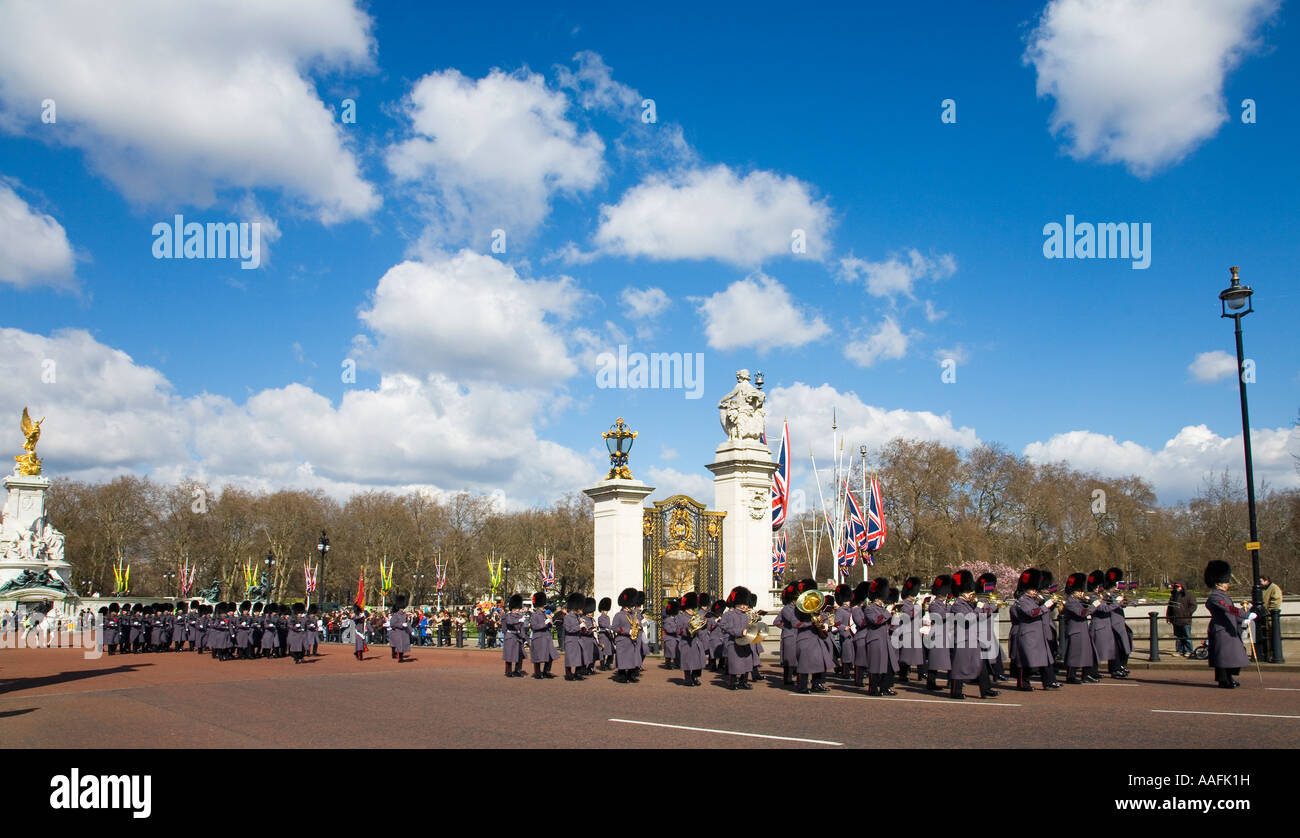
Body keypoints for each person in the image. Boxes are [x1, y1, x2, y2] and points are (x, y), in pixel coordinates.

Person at [949, 569, 999, 700]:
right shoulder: (957, 605)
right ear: (962, 592)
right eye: (968, 591)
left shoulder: (969, 603)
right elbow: (968, 618)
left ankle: (986, 689)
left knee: (981, 666)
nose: (971, 593)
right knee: (959, 666)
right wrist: (978, 607)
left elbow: (981, 615)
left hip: (973, 638)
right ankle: (955, 691)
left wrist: (990, 606)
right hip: (962, 639)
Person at [1011, 569, 1059, 691]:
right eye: (1032, 589)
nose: (1034, 591)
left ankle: (1048, 681)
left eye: (1035, 589)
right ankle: (1022, 683)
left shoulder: (1034, 599)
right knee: (1025, 661)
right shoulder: (1022, 600)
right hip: (1028, 634)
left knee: (1044, 659)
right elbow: (1032, 613)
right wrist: (1045, 605)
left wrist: (1049, 602)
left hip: (1038, 634)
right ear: (1026, 589)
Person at [1205, 560, 1252, 688]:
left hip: (1229, 629)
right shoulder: (1215, 596)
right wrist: (1246, 614)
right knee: (1224, 657)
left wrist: (1243, 619)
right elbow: (1228, 609)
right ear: (1218, 583)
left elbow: (1231, 612)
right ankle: (1224, 680)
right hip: (1221, 629)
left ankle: (1229, 677)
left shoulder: (1223, 595)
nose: (1227, 584)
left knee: (1234, 655)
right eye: (1225, 581)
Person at [862, 577, 897, 696]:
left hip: (885, 640)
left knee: (888, 665)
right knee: (875, 665)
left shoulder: (882, 608)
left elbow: (886, 623)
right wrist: (888, 612)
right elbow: (877, 620)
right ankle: (873, 688)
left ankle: (885, 687)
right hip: (875, 640)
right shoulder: (869, 608)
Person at [1063, 573, 1100, 683]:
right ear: (1073, 591)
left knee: (1088, 653)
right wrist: (1094, 606)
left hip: (1083, 630)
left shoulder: (1078, 600)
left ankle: (1086, 674)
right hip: (1075, 631)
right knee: (1074, 655)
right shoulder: (1070, 602)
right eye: (1079, 591)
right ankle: (1071, 676)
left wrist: (1088, 601)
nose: (1081, 593)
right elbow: (1082, 613)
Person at [721, 586, 757, 691]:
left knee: (747, 662)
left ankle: (743, 681)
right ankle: (732, 682)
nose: (745, 606)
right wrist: (739, 632)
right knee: (735, 664)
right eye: (744, 604)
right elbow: (724, 626)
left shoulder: (746, 616)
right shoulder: (729, 615)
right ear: (738, 603)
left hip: (745, 642)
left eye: (746, 604)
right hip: (733, 642)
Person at [922, 575, 952, 692]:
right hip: (937, 634)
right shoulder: (934, 604)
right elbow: (940, 616)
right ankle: (931, 683)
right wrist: (950, 609)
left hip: (946, 633)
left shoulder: (944, 604)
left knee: (951, 659)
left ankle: (951, 681)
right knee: (934, 661)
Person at [1102, 568, 1132, 677]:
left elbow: (1123, 604)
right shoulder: (1106, 595)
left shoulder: (1116, 593)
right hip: (1111, 622)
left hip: (1119, 621)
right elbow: (1106, 607)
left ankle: (1120, 666)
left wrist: (1129, 600)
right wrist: (1117, 601)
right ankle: (1115, 668)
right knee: (1115, 648)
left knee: (1124, 643)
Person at [611, 588, 642, 683]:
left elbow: (638, 625)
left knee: (631, 659)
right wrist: (627, 631)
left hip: (631, 641)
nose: (631, 608)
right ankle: (622, 676)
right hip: (622, 640)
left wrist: (638, 623)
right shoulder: (618, 615)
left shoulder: (632, 615)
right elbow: (615, 627)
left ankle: (630, 675)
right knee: (622, 659)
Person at [676, 592, 706, 686]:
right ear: (686, 609)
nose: (693, 610)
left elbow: (701, 627)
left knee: (699, 661)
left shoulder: (696, 616)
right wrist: (687, 631)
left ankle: (695, 677)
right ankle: (688, 679)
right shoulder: (681, 617)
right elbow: (678, 630)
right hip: (686, 642)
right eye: (691, 609)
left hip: (696, 641)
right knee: (688, 663)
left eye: (693, 608)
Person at [772, 583, 798, 685]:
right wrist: (785, 627)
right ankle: (787, 679)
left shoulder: (798, 608)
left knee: (797, 658)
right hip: (790, 635)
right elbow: (778, 621)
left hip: (797, 635)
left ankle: (797, 678)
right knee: (789, 659)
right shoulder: (787, 608)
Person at [533, 591, 561, 680]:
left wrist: (550, 622)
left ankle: (546, 671)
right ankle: (537, 672)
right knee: (538, 656)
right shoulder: (534, 615)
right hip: (539, 637)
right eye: (542, 606)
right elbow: (534, 627)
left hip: (546, 637)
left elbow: (549, 625)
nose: (544, 607)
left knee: (550, 655)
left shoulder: (545, 614)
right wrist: (544, 623)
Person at [1166, 582, 1196, 657]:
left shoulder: (1189, 595)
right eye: (1176, 587)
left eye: (1178, 587)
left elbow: (1193, 606)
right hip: (1175, 620)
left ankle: (1188, 650)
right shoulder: (1173, 596)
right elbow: (1169, 607)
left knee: (1187, 636)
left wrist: (1187, 613)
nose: (1177, 588)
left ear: (1182, 587)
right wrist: (1168, 617)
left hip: (1185, 620)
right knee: (1178, 637)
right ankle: (1179, 651)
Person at [502, 594, 527, 677]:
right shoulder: (508, 616)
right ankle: (508, 671)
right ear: (512, 608)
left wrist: (524, 638)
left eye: (518, 608)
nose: (517, 610)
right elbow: (509, 622)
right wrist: (519, 620)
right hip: (510, 636)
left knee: (520, 655)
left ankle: (517, 670)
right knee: (509, 655)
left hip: (518, 637)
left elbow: (522, 629)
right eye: (515, 608)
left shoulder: (520, 616)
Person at [1260, 575, 1282, 662]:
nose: (1259, 583)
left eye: (1261, 581)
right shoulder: (1262, 589)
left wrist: (1269, 611)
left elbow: (1276, 600)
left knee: (1271, 635)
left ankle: (1272, 654)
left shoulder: (1274, 588)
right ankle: (1266, 654)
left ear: (1266, 581)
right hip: (1264, 615)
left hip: (1269, 616)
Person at [389, 595, 411, 663]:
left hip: (404, 632)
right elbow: (392, 624)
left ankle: (400, 657)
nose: (403, 609)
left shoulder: (405, 615)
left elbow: (408, 623)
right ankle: (400, 658)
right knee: (399, 645)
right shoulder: (395, 615)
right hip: (397, 632)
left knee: (404, 645)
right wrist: (401, 625)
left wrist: (411, 630)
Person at [597, 597, 615, 670]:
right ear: (602, 610)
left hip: (608, 635)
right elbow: (603, 625)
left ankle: (608, 664)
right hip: (603, 635)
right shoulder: (600, 618)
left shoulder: (608, 617)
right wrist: (611, 627)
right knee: (603, 651)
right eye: (605, 610)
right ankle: (602, 665)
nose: (606, 611)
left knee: (612, 651)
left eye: (607, 610)